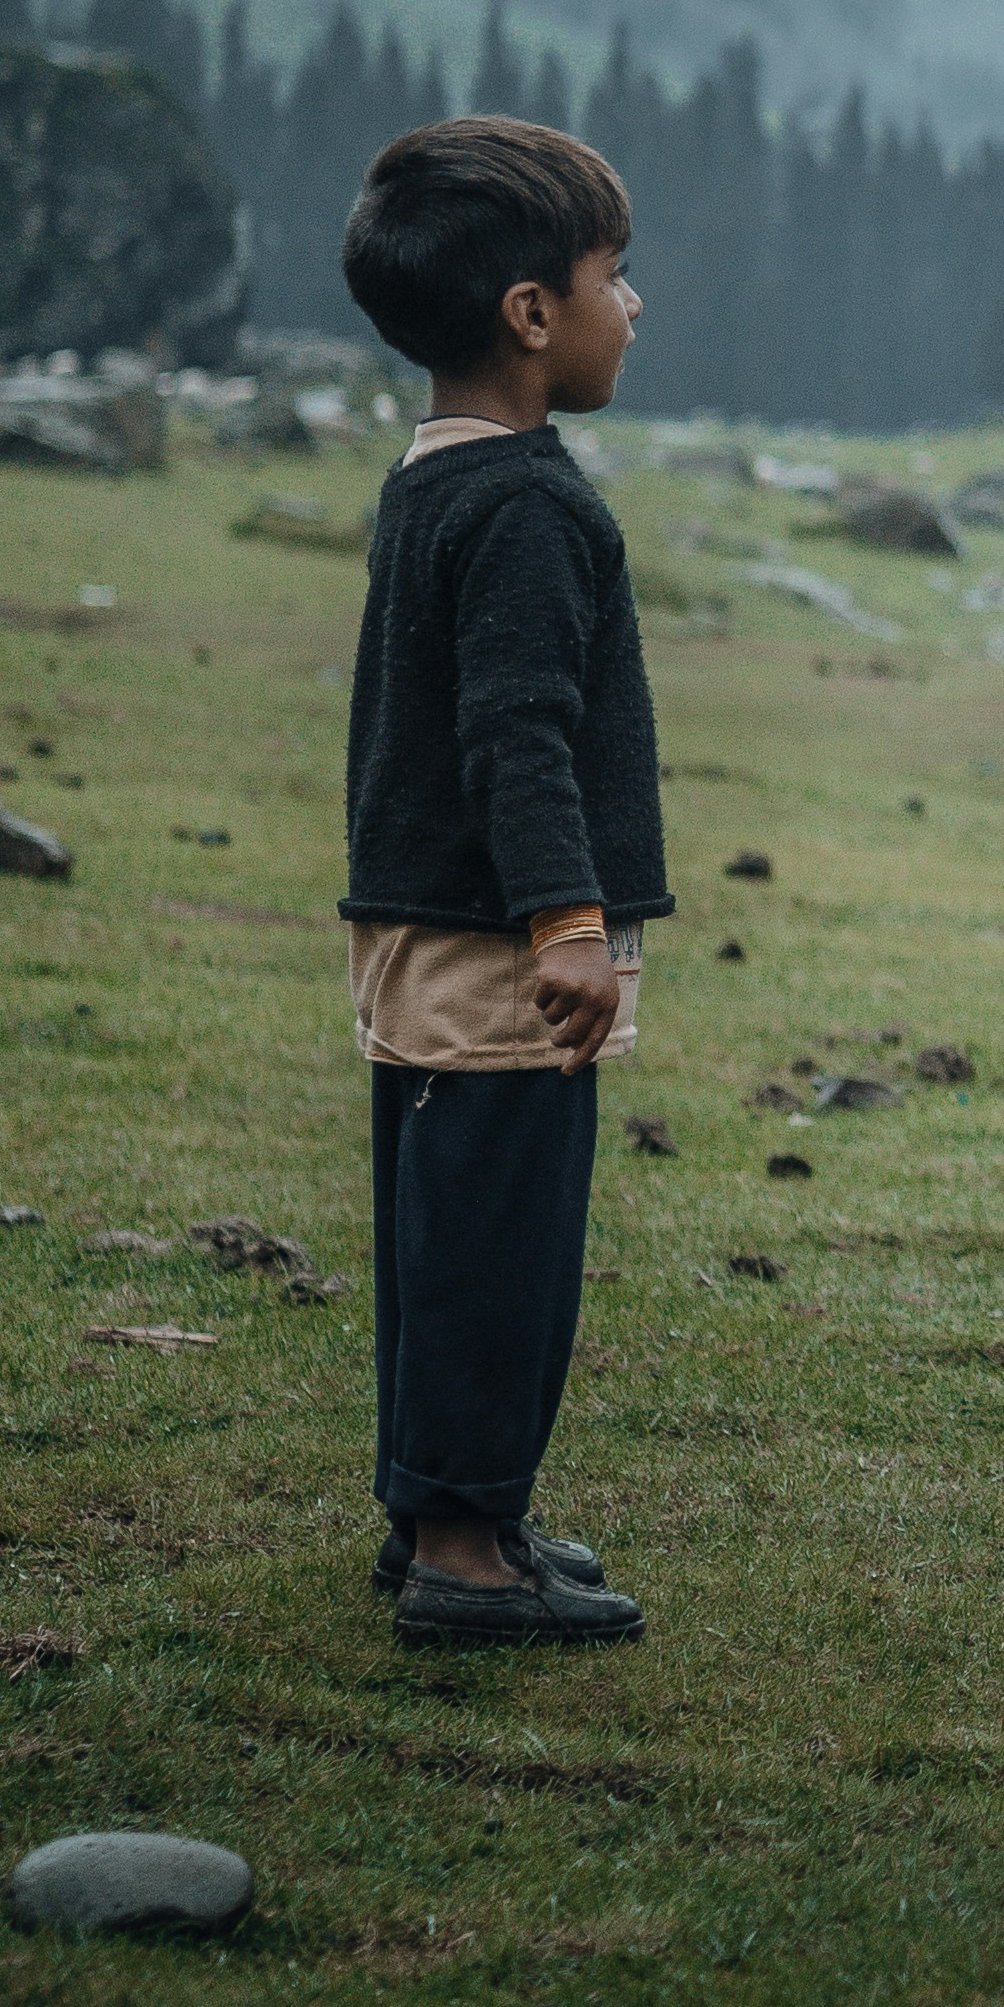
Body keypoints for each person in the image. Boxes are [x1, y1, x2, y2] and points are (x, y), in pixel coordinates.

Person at [334, 114, 669, 1651]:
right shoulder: (531, 501)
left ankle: (451, 1517)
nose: (635, 304)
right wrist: (572, 922)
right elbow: (516, 733)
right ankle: (466, 1555)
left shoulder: (433, 478)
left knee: (436, 1230)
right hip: (499, 945)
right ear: (533, 314)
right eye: (615, 273)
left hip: (414, 932)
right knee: (497, 1246)